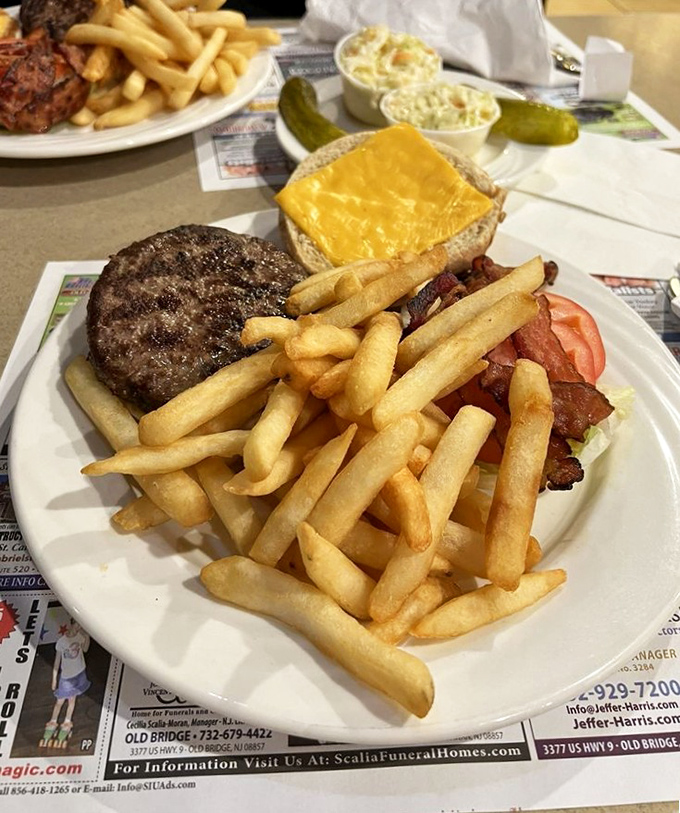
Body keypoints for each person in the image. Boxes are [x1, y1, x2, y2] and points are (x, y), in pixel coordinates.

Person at [40, 619, 91, 749]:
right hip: (66, 677)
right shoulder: (62, 642)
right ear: (71, 624)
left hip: (78, 673)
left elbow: (85, 649)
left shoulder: (80, 637)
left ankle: (67, 721)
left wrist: (87, 636)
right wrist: (54, 679)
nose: (78, 627)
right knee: (59, 701)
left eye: (80, 625)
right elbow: (57, 662)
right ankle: (53, 721)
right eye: (77, 625)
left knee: (72, 700)